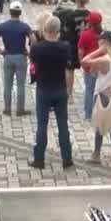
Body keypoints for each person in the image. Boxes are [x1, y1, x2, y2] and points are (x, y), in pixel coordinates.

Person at [30, 15, 74, 169]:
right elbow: (68, 71)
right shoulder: (65, 47)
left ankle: (39, 159)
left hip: (43, 88)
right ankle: (67, 158)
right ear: (58, 31)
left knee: (42, 125)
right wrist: (69, 89)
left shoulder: (36, 48)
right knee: (63, 125)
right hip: (60, 88)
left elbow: (33, 66)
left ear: (45, 30)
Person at [82, 30, 111, 164]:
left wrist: (98, 51)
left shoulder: (104, 58)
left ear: (104, 42)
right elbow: (94, 72)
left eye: (100, 40)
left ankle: (96, 154)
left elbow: (85, 61)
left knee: (100, 124)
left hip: (103, 93)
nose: (98, 41)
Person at [0, 0, 31, 116]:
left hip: (8, 56)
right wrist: (29, 52)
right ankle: (20, 109)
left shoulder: (3, 26)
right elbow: (33, 39)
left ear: (10, 12)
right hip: (20, 56)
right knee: (20, 85)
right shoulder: (24, 26)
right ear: (20, 13)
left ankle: (7, 109)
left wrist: (0, 50)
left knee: (7, 84)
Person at [77, 11, 104, 121]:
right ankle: (102, 112)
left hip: (89, 65)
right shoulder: (103, 34)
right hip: (101, 65)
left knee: (89, 89)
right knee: (102, 89)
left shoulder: (85, 34)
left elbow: (80, 51)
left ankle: (88, 114)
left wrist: (81, 62)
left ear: (90, 23)